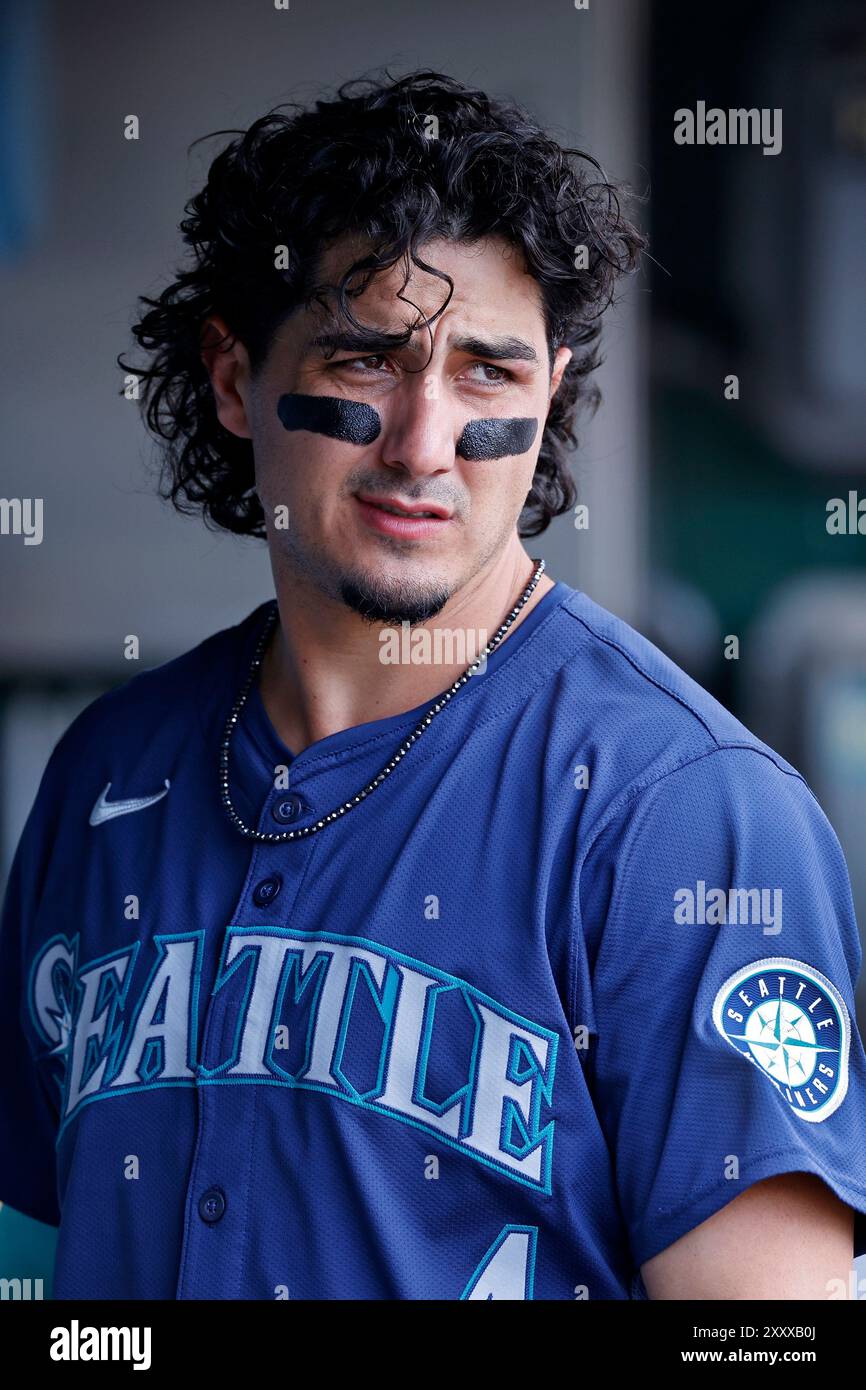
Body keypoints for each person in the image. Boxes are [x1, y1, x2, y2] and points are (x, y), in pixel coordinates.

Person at [1, 69, 864, 1301]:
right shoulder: (112, 770)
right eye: (364, 360)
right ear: (236, 379)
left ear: (550, 389)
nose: (422, 445)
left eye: (486, 375)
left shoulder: (686, 814)